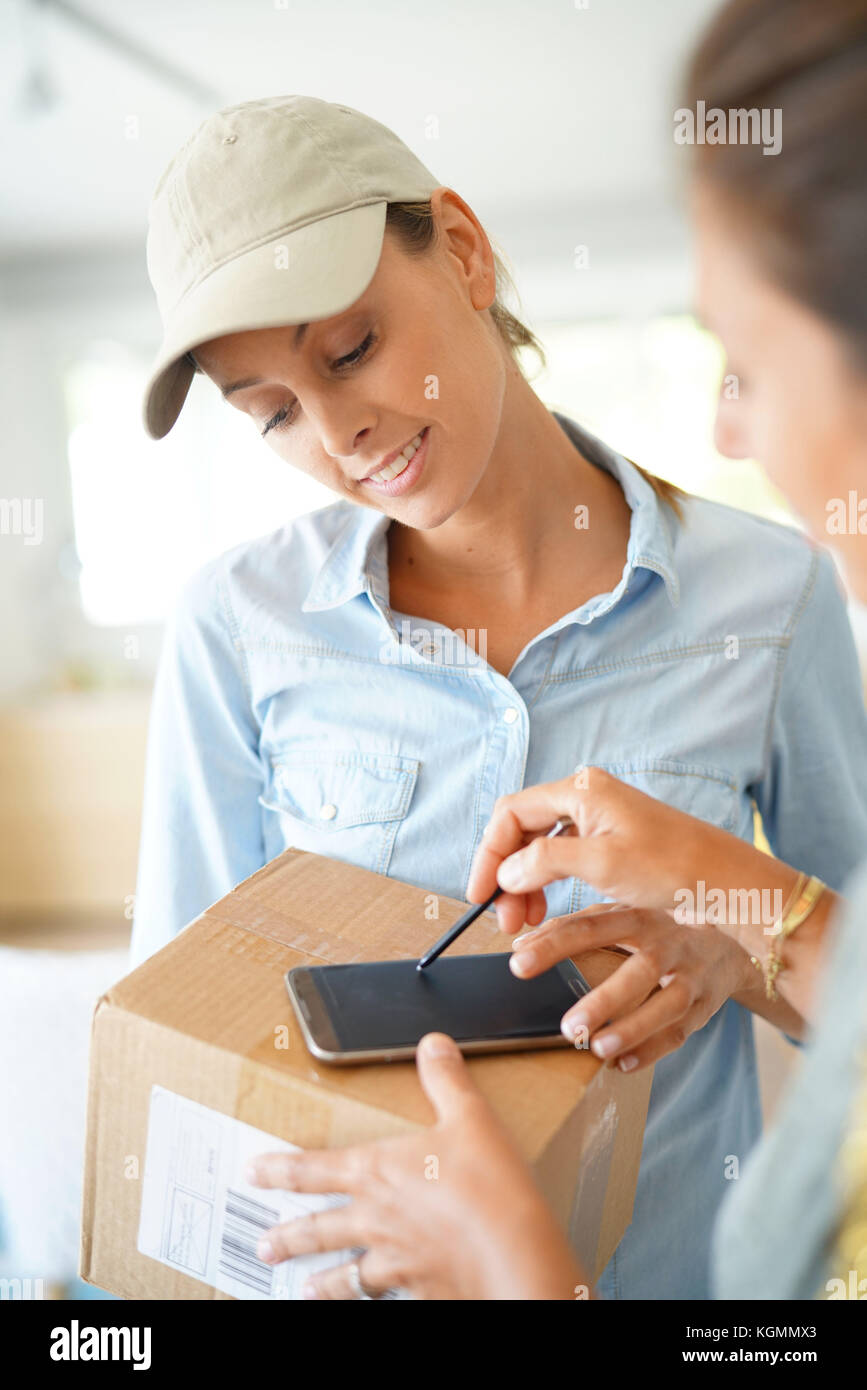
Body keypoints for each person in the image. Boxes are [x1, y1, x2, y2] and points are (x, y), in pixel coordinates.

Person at [131, 85, 867, 1301]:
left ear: (463, 251)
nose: (339, 434)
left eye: (352, 349)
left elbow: (849, 994)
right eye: (271, 415)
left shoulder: (773, 596)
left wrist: (734, 951)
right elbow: (181, 1048)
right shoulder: (236, 627)